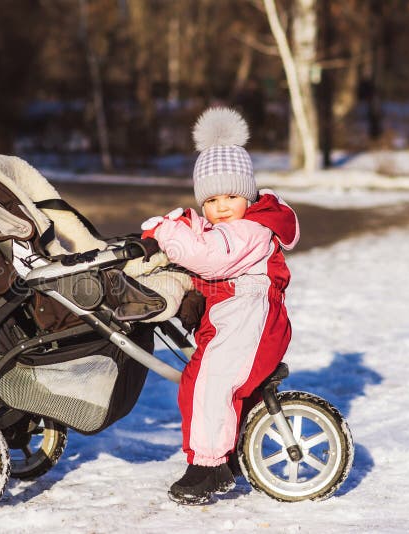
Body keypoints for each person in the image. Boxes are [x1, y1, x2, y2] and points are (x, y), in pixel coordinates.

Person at [141, 107, 300, 505]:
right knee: (195, 383)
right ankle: (216, 455)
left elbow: (210, 256)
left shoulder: (251, 231)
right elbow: (204, 238)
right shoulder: (223, 227)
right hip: (231, 322)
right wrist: (171, 230)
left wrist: (168, 231)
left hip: (253, 322)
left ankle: (210, 467)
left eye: (231, 195)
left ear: (247, 194)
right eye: (211, 200)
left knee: (214, 383)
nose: (222, 206)